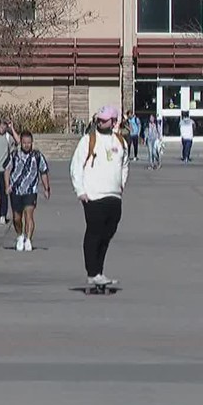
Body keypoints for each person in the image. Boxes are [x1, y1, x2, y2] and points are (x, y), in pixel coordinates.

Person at [70, 106, 130, 287]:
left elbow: (125, 165)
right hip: (93, 196)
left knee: (107, 235)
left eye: (105, 120)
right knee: (94, 233)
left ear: (114, 122)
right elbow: (76, 166)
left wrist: (121, 184)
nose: (100, 122)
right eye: (99, 119)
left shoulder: (120, 142)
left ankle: (99, 272)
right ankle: (92, 272)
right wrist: (80, 191)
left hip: (114, 196)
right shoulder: (88, 140)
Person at [5, 128, 51, 252]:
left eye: (29, 142)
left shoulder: (37, 156)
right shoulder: (14, 155)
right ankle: (20, 236)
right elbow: (7, 170)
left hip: (31, 190)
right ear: (21, 142)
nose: (27, 145)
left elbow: (44, 172)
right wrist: (7, 185)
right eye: (24, 142)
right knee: (16, 218)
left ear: (32, 142)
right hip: (16, 190)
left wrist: (47, 188)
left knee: (28, 215)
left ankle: (28, 239)